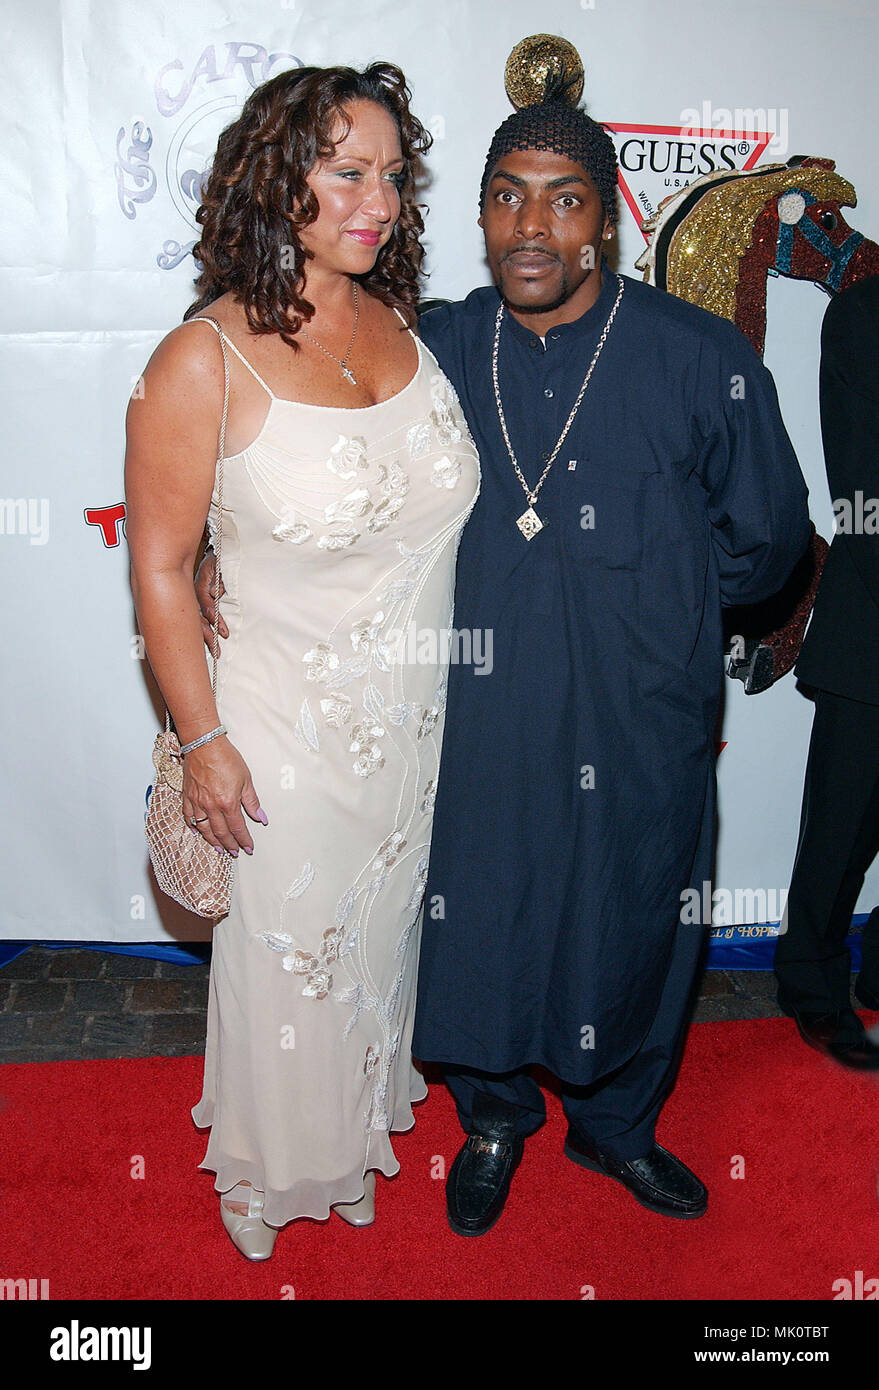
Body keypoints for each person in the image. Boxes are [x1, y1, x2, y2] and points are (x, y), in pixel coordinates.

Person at [196, 72, 811, 1237]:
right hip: (472, 716)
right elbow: (303, 457)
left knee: (637, 918)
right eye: (506, 199)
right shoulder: (426, 347)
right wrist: (215, 552)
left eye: (565, 200)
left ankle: (620, 1126)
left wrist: (664, 617)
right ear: (478, 214)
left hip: (642, 719)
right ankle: (491, 1119)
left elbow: (771, 537)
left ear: (607, 216)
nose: (533, 229)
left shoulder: (697, 358)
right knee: (483, 921)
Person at [125, 62, 479, 1260]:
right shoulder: (203, 361)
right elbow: (165, 568)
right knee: (287, 959)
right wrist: (203, 739)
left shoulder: (400, 322)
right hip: (275, 731)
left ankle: (354, 1130)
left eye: (390, 174)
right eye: (346, 173)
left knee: (374, 945)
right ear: (280, 184)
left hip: (409, 727)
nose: (376, 200)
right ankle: (268, 1172)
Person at [774, 274, 879, 1067]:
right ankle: (809, 982)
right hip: (872, 618)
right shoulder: (866, 310)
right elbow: (860, 485)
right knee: (840, 831)